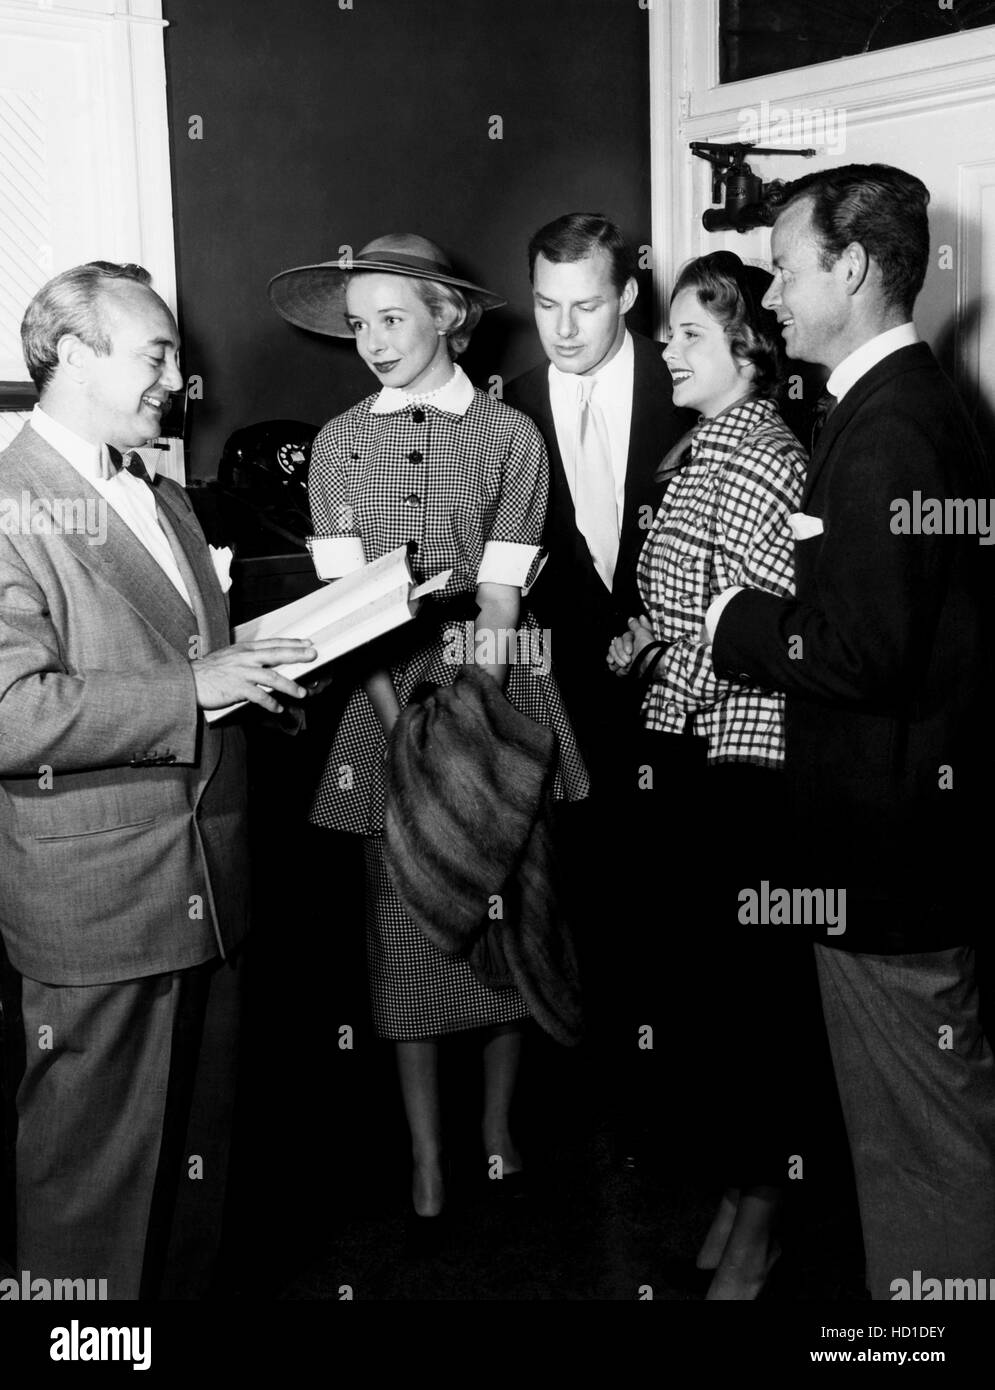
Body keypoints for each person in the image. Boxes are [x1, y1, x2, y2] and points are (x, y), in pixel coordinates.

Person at [0, 262, 316, 1299]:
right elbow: (11, 713)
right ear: (74, 357)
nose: (179, 380)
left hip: (210, 883)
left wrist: (266, 668)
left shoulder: (164, 491)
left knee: (195, 1181)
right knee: (91, 1193)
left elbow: (198, 655)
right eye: (157, 354)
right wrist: (194, 686)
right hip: (101, 904)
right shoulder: (9, 505)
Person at [707, 164, 995, 1299]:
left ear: (853, 269)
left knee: (921, 1148)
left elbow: (854, 653)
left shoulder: (885, 429)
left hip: (884, 872)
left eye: (783, 270)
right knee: (924, 1132)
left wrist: (734, 618)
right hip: (905, 860)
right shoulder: (901, 405)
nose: (769, 299)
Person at [269, 234, 588, 1227]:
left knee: (504, 912)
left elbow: (498, 602)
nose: (371, 339)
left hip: (496, 692)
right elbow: (345, 619)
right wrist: (398, 718)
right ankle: (424, 1155)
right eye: (358, 323)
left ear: (446, 316)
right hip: (382, 699)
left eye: (391, 317)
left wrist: (464, 724)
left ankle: (495, 1130)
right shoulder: (334, 446)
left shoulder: (509, 438)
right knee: (402, 933)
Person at [608, 250, 810, 1299]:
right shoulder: (700, 447)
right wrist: (646, 631)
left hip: (742, 764)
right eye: (669, 331)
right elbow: (700, 601)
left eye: (688, 333)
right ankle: (742, 1191)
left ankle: (768, 1209)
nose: (665, 348)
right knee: (713, 1001)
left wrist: (658, 652)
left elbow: (767, 633)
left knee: (754, 1005)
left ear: (746, 347)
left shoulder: (761, 454)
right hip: (690, 756)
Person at [504, 213, 693, 1164]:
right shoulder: (512, 408)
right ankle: (610, 1096)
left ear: (628, 295)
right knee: (584, 891)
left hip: (690, 688)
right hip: (568, 691)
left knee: (685, 893)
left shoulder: (694, 381)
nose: (564, 329)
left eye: (586, 305)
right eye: (545, 305)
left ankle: (691, 1097)